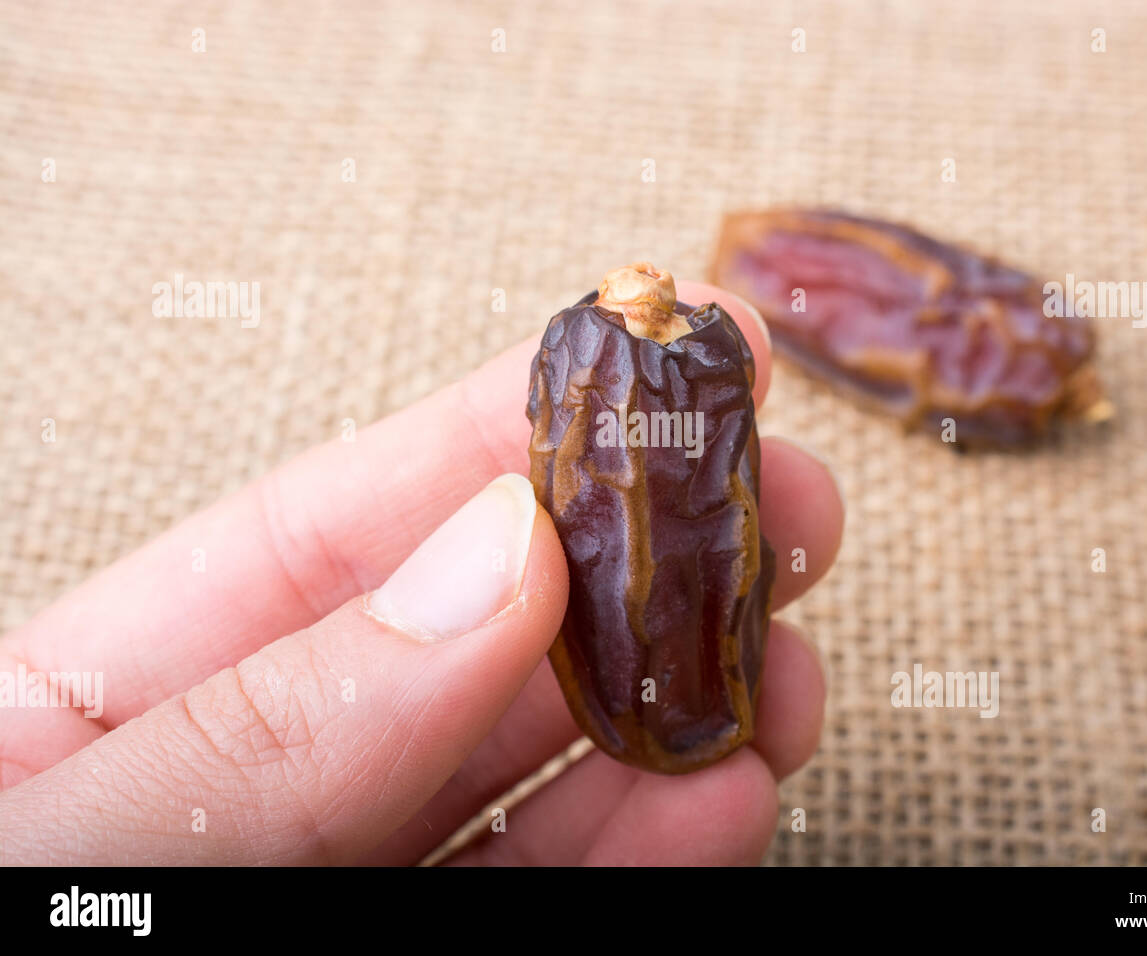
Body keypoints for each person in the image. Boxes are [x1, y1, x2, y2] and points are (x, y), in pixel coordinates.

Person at [0, 282, 843, 865]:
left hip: (667, 708)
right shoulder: (614, 353)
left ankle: (697, 714)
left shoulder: (680, 353)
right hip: (644, 712)